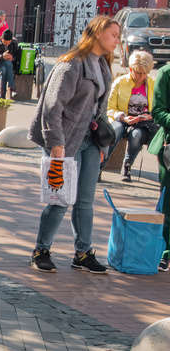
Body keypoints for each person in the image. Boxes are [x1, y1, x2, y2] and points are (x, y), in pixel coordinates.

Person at [28, 14, 119, 275]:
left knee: (85, 201)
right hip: (64, 141)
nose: (117, 41)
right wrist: (56, 145)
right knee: (60, 199)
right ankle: (40, 251)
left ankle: (83, 253)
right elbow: (50, 108)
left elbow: (98, 109)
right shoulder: (71, 66)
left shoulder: (101, 65)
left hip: (90, 142)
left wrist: (102, 147)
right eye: (113, 35)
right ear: (98, 33)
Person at [106, 50, 157, 182]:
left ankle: (127, 166)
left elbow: (159, 108)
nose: (141, 76)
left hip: (142, 122)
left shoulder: (153, 83)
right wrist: (123, 117)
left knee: (137, 136)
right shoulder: (120, 82)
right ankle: (100, 165)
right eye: (138, 72)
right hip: (122, 119)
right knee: (115, 132)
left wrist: (150, 116)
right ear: (131, 69)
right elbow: (110, 108)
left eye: (145, 73)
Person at [147, 60, 170, 271]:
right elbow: (158, 112)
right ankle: (163, 251)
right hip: (169, 146)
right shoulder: (166, 72)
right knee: (168, 202)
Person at [0, 29, 22, 99]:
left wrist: (12, 58)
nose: (7, 44)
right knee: (7, 64)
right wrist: (2, 57)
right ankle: (12, 88)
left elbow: (18, 57)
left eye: (9, 42)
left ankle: (2, 95)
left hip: (8, 66)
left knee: (4, 69)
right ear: (1, 39)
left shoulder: (14, 42)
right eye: (5, 42)